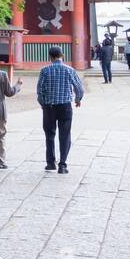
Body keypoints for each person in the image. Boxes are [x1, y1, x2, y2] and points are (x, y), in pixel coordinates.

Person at [36, 46, 84, 174]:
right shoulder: (70, 70)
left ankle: (51, 163)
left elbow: (39, 91)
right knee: (65, 134)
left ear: (50, 57)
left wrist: (43, 104)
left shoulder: (45, 70)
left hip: (49, 106)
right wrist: (78, 99)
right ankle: (62, 165)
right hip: (65, 106)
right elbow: (79, 88)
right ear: (62, 56)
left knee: (49, 135)